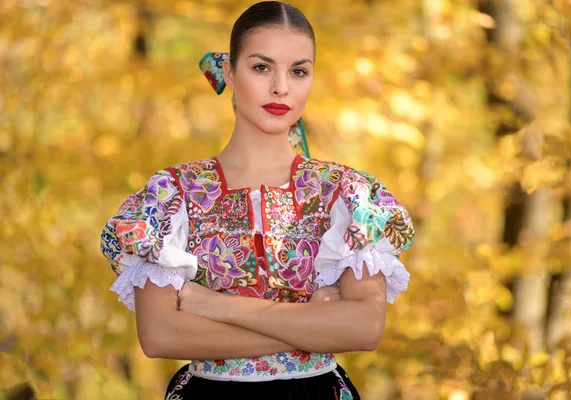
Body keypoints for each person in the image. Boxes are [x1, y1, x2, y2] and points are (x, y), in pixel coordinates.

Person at [99, 2, 415, 399]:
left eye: (298, 71)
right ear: (230, 72)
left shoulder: (344, 192)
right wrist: (312, 323)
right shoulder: (171, 194)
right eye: (262, 67)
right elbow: (160, 336)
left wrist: (213, 306)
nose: (281, 87)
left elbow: (365, 329)